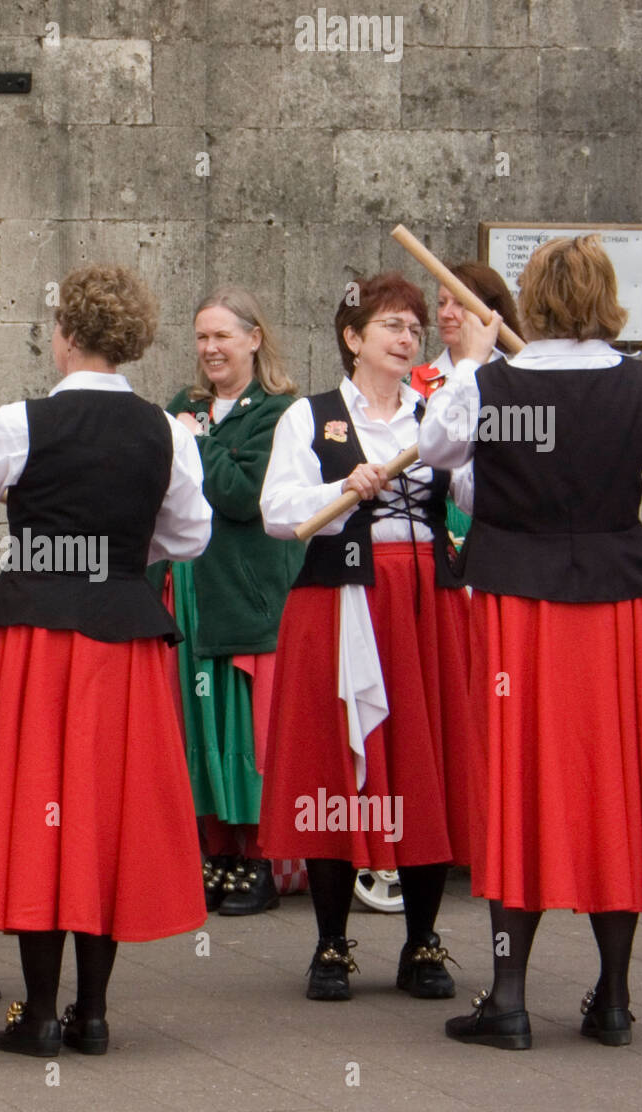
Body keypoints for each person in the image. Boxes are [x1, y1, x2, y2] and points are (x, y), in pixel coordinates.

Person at [0, 263, 211, 1056]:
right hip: (123, 635)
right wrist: (119, 557)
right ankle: (94, 1013)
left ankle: (42, 1014)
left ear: (66, 336)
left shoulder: (25, 422)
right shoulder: (167, 432)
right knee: (105, 815)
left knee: (40, 813)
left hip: (41, 637)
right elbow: (191, 534)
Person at [421, 235, 642, 1049]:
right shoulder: (640, 382)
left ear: (533, 301)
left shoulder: (491, 382)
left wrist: (471, 364)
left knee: (519, 784)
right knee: (618, 783)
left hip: (520, 606)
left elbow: (438, 451)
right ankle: (612, 1000)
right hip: (610, 606)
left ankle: (508, 999)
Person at [258, 272, 473, 1002]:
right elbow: (277, 512)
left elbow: (474, 493)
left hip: (422, 603)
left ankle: (422, 942)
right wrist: (342, 489)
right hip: (340, 598)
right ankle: (330, 942)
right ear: (353, 338)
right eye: (391, 325)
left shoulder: (434, 415)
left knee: (422, 762)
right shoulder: (309, 416)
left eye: (414, 327)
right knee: (333, 761)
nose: (407, 337)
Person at [156, 287, 303, 915]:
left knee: (247, 725)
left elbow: (245, 495)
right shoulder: (182, 405)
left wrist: (198, 442)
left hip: (246, 589)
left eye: (222, 336)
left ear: (254, 338)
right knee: (198, 721)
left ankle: (261, 858)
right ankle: (216, 853)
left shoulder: (280, 412)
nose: (210, 348)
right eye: (201, 337)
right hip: (188, 585)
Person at [410, 263, 523, 540]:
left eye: (460, 303)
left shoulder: (519, 379)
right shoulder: (411, 384)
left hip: (504, 533)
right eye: (441, 303)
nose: (446, 313)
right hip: (430, 531)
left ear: (490, 312)